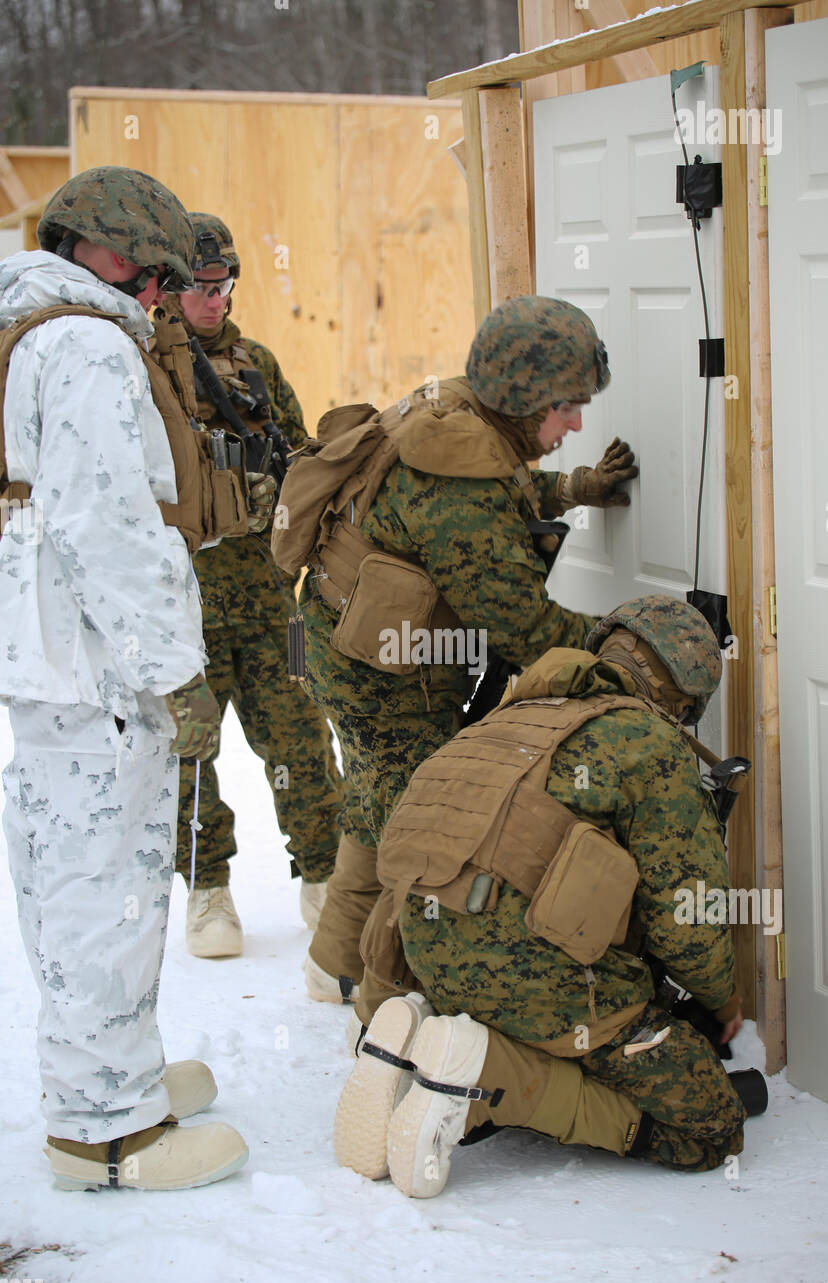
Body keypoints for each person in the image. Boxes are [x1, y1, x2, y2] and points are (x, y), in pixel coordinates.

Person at [272, 295, 638, 1019]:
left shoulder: (455, 410)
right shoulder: (456, 465)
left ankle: (333, 961)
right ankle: (385, 993)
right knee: (417, 816)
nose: (576, 423)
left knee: (377, 793)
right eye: (565, 406)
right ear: (523, 396)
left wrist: (569, 488)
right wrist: (625, 647)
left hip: (348, 642)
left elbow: (498, 485)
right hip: (386, 668)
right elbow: (518, 622)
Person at [334, 596, 767, 1197]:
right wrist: (724, 1001)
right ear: (683, 700)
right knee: (711, 1126)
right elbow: (686, 922)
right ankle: (478, 1072)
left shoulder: (506, 718)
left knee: (532, 1006)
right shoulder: (648, 742)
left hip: (423, 957)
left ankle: (420, 1037)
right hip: (536, 979)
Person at [0, 167, 248, 1190]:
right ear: (115, 253)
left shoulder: (34, 331)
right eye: (153, 273)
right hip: (100, 664)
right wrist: (175, 675)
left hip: (59, 654)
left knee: (81, 878)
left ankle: (119, 1076)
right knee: (104, 888)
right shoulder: (90, 348)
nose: (159, 292)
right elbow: (109, 526)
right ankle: (104, 1132)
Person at [165, 213, 344, 957]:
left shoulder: (256, 364)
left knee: (304, 739)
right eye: (202, 287)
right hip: (185, 609)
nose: (217, 299)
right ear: (170, 289)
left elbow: (302, 460)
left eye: (225, 284)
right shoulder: (146, 365)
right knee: (188, 755)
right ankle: (208, 893)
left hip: (274, 607)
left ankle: (328, 880)